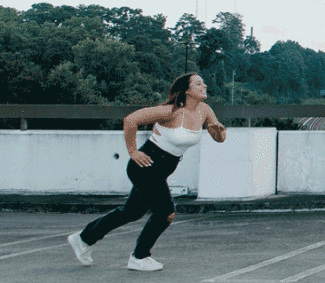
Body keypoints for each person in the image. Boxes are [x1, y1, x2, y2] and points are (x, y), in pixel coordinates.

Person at [67, 73, 226, 271]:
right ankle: (139, 257)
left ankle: (84, 239)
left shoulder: (204, 110)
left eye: (204, 82)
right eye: (198, 83)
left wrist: (219, 132)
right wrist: (133, 152)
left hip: (162, 169)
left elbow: (219, 138)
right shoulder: (170, 111)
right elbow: (131, 120)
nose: (205, 85)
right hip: (146, 165)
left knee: (132, 212)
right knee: (166, 212)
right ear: (186, 90)